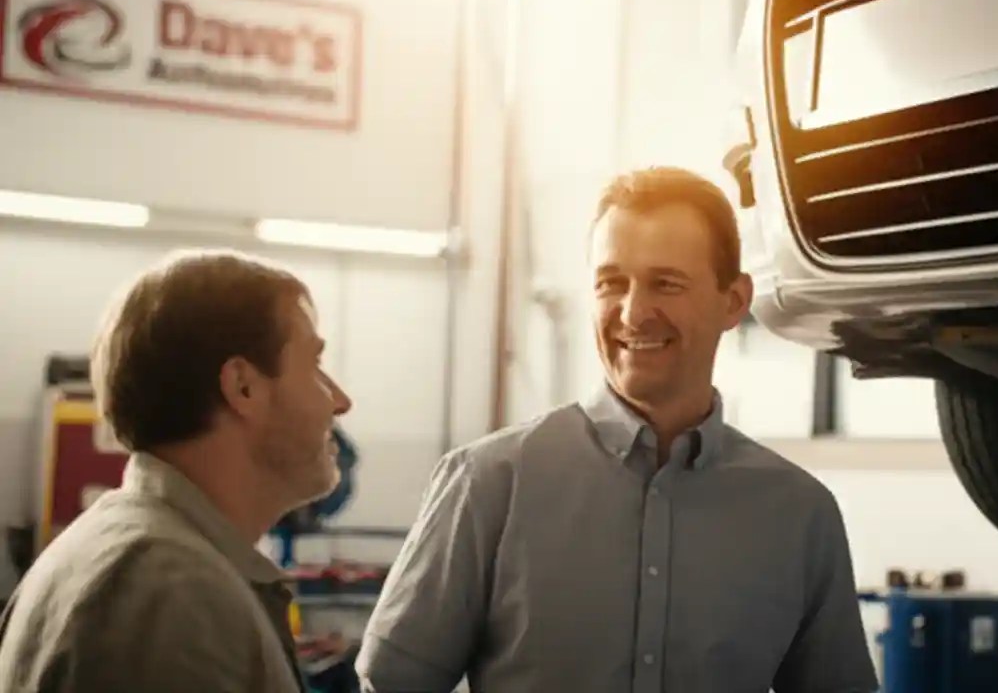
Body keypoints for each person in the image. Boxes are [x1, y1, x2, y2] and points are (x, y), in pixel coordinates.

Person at [357, 167, 878, 692]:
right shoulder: (488, 483)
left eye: (666, 284)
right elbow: (392, 685)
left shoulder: (798, 515)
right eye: (611, 283)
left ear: (735, 301)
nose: (633, 313)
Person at [0, 249, 353, 692]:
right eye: (315, 366)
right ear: (243, 387)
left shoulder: (144, 558)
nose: (339, 400)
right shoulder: (171, 593)